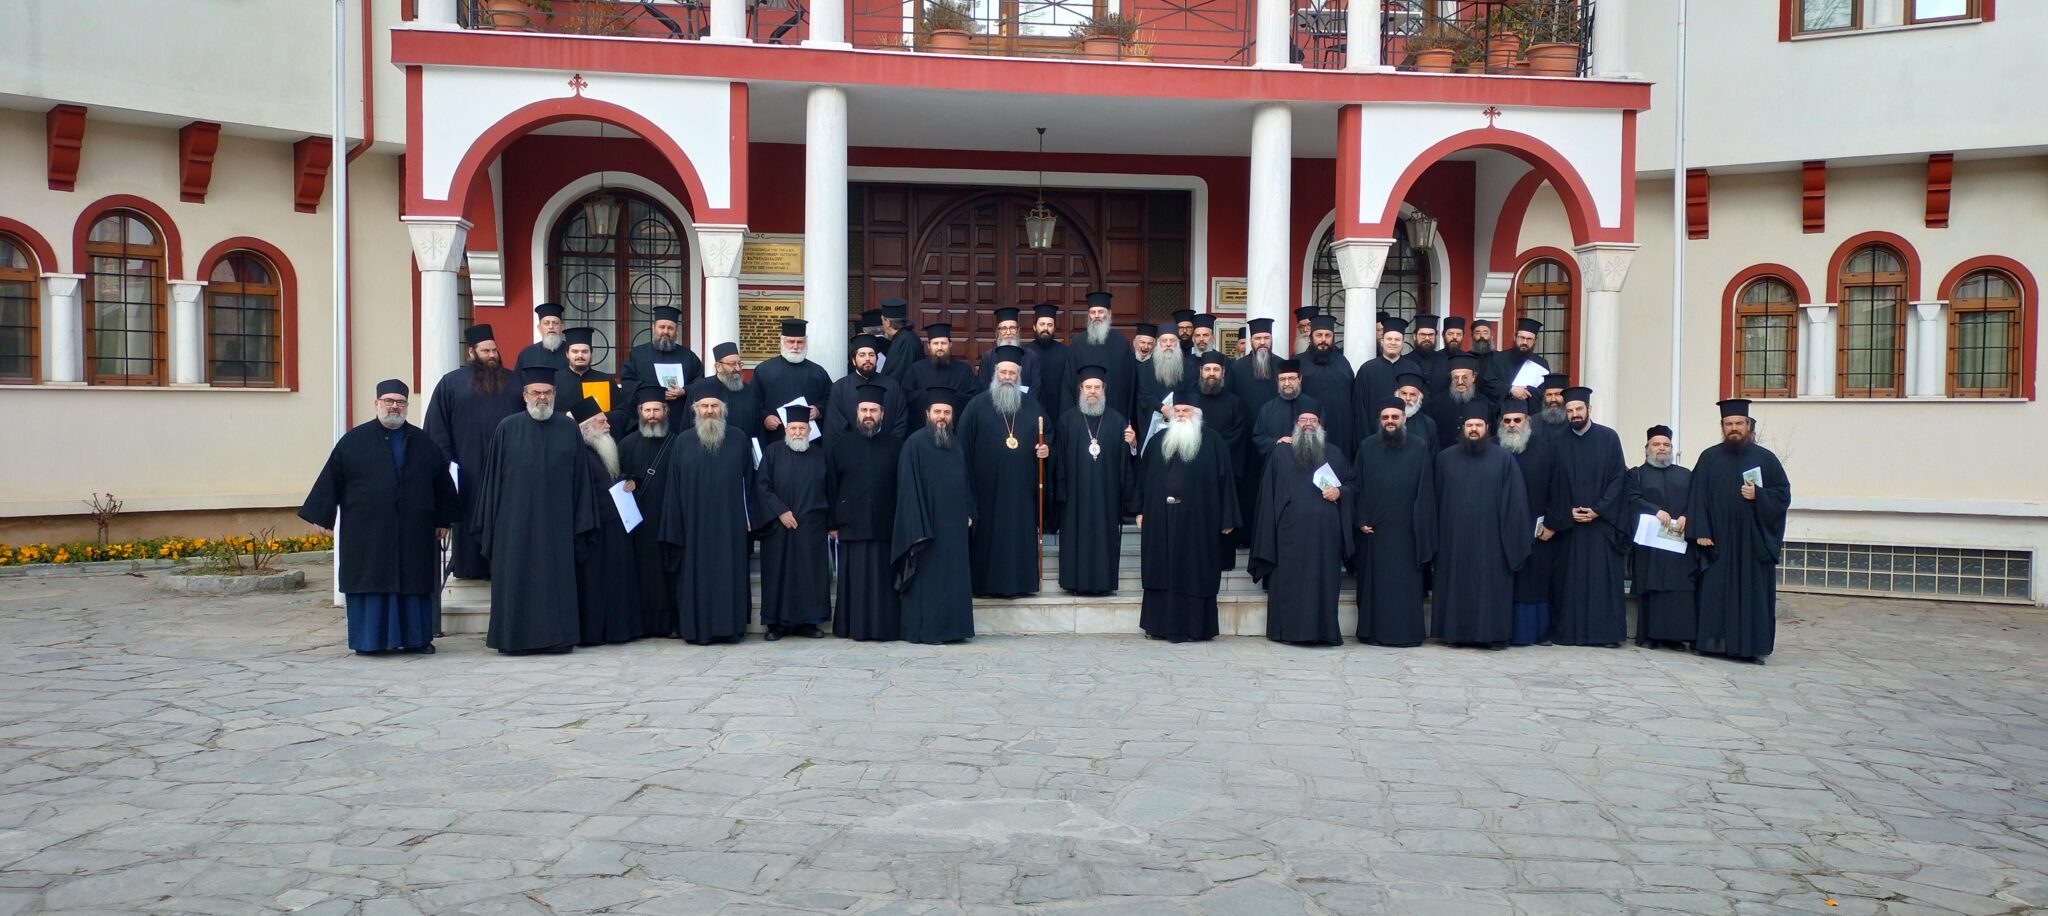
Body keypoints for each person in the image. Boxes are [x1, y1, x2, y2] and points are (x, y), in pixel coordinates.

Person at [299, 379, 460, 656]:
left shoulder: (424, 443)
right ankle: (370, 642)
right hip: (367, 533)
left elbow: (442, 485)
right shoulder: (353, 441)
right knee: (370, 581)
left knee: (413, 583)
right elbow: (332, 478)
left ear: (406, 406)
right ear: (376, 404)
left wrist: (443, 520)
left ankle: (416, 640)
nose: (394, 406)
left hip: (413, 531)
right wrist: (322, 515)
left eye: (400, 402)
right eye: (388, 401)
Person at [471, 366, 592, 655]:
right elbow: (492, 482)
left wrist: (581, 521)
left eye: (547, 392)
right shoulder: (507, 428)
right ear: (525, 395)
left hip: (558, 523)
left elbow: (581, 481)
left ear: (555, 394)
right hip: (514, 526)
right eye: (536, 392)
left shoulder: (569, 429)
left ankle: (558, 639)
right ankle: (514, 640)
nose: (542, 397)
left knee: (556, 581)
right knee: (517, 579)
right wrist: (492, 525)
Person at [660, 379, 768, 645]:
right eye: (704, 406)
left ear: (723, 409)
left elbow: (749, 482)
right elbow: (673, 488)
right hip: (693, 526)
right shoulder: (683, 441)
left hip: (730, 524)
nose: (709, 411)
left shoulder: (739, 438)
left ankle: (729, 629)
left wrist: (749, 517)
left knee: (728, 575)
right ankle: (696, 629)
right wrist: (676, 525)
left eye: (714, 406)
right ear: (695, 409)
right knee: (695, 577)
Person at [1687, 399, 1790, 664]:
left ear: (1748, 426)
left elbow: (1782, 495)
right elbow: (1697, 496)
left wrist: (1760, 495)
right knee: (1714, 592)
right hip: (1717, 541)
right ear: (1722, 426)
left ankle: (1751, 648)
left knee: (1751, 595)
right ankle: (1710, 644)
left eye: (1739, 423)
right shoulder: (1709, 458)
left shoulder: (1766, 459)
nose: (1734, 428)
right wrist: (1701, 531)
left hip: (1752, 542)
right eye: (1729, 423)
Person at [424, 323, 524, 580]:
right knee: (469, 516)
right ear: (471, 353)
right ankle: (469, 567)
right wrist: (446, 465)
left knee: (505, 517)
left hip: (508, 467)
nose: (492, 355)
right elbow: (437, 429)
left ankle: (503, 568)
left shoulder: (515, 382)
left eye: (494, 350)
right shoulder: (451, 383)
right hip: (467, 469)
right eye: (485, 351)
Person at [1134, 402, 1240, 643]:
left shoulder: (1213, 442)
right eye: (1177, 411)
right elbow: (1144, 478)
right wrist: (1139, 510)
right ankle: (1158, 626)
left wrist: (1227, 517)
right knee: (1161, 570)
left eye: (1186, 411)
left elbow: (1226, 481)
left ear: (1197, 414)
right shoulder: (1157, 441)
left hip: (1199, 520)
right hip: (1160, 517)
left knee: (1195, 571)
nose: (1181, 415)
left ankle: (1195, 628)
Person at [1431, 401, 1532, 649]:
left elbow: (1515, 503)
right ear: (1463, 428)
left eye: (1478, 425)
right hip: (1454, 540)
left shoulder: (1503, 459)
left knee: (1491, 587)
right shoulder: (1445, 459)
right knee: (1457, 586)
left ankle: (1492, 636)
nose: (1474, 429)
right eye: (1469, 425)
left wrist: (1511, 540)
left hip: (1492, 540)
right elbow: (1434, 501)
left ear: (1487, 427)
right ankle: (1455, 634)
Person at [1251, 407, 1353, 647]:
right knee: (1290, 584)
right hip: (1289, 536)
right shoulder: (1280, 454)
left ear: (1320, 424)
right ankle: (1288, 632)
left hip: (1325, 537)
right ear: (1296, 424)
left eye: (1313, 420)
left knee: (1323, 585)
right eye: (1303, 419)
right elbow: (1268, 493)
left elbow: (1353, 484)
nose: (1308, 423)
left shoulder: (1335, 454)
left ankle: (1324, 633)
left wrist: (1340, 492)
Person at [956, 346, 1052, 598]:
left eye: (1012, 373)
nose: (1008, 377)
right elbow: (961, 448)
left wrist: (1046, 449)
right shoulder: (976, 406)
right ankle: (986, 585)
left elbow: (1048, 438)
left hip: (1022, 493)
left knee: (1019, 536)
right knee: (988, 539)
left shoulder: (1033, 407)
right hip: (985, 492)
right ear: (995, 374)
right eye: (1003, 372)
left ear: (1019, 376)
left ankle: (1021, 584)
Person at [1349, 396, 1436, 647]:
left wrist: (1420, 525)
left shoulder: (1419, 447)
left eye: (1394, 417)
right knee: (1376, 586)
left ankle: (1406, 634)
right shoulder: (1366, 446)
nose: (1390, 421)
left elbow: (1425, 490)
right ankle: (1373, 633)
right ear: (1380, 420)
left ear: (1404, 419)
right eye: (1385, 417)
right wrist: (1361, 518)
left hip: (1408, 532)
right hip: (1374, 531)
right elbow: (1357, 485)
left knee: (1404, 587)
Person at [1545, 387, 1628, 648]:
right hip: (1569, 526)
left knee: (1601, 581)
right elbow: (1550, 482)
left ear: (1589, 409)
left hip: (1601, 526)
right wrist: (1566, 511)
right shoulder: (1556, 441)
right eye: (1570, 410)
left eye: (1579, 409)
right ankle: (1567, 634)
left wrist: (1599, 509)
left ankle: (1605, 635)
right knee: (1568, 582)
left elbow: (1619, 478)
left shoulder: (1609, 438)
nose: (1574, 414)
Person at [892, 387, 976, 644]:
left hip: (954, 527)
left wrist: (969, 510)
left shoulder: (956, 444)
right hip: (926, 528)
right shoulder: (914, 444)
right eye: (937, 411)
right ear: (927, 414)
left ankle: (954, 630)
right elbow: (908, 489)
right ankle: (928, 632)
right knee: (928, 582)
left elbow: (966, 481)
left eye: (947, 412)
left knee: (954, 579)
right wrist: (917, 527)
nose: (942, 416)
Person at [1052, 366, 1138, 596]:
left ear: (1103, 390)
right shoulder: (1067, 421)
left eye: (1097, 387)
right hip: (1075, 497)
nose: (1092, 391)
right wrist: (1061, 494)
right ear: (1080, 389)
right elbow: (1059, 462)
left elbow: (1126, 463)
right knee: (1076, 538)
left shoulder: (1117, 421)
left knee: (1103, 538)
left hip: (1106, 496)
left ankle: (1104, 583)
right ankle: (1074, 582)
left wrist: (1132, 445)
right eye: (1088, 387)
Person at [827, 385, 904, 640]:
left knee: (883, 581)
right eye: (864, 410)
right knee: (855, 581)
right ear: (856, 412)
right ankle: (853, 627)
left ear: (883, 414)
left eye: (873, 410)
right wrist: (833, 523)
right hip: (851, 524)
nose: (868, 414)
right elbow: (832, 484)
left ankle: (884, 628)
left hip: (886, 524)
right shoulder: (842, 445)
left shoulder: (896, 446)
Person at [567, 396, 641, 646]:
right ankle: (596, 633)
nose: (608, 425)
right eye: (601, 422)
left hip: (617, 526)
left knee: (618, 580)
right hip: (594, 530)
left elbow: (611, 478)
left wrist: (629, 481)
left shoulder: (602, 449)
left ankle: (620, 630)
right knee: (596, 584)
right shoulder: (578, 454)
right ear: (586, 427)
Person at [758, 406, 832, 640]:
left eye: (802, 428)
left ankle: (809, 622)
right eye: (793, 428)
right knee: (777, 574)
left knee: (809, 574)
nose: (798, 432)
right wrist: (781, 511)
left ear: (809, 430)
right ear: (786, 430)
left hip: (811, 526)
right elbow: (762, 486)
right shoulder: (772, 452)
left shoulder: (819, 454)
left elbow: (827, 489)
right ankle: (775, 625)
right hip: (779, 525)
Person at [1497, 399, 1563, 646]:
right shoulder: (1493, 448)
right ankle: (1502, 631)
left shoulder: (1545, 448)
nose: (1512, 425)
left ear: (1528, 421)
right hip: (1500, 529)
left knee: (1534, 579)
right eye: (1507, 421)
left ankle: (1536, 632)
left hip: (1537, 528)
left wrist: (1552, 523)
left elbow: (1558, 487)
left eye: (1517, 420)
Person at [1625, 425, 1695, 649]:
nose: (1662, 448)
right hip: (1650, 547)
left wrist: (1687, 515)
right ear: (1647, 448)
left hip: (1678, 545)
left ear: (1672, 448)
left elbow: (1697, 501)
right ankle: (1649, 636)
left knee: (1677, 590)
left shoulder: (1686, 475)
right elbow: (1632, 498)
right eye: (1656, 444)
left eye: (1666, 444)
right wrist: (1654, 510)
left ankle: (1674, 638)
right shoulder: (1636, 474)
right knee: (1651, 588)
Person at [617, 386, 678, 637]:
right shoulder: (626, 444)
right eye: (647, 410)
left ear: (665, 411)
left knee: (667, 573)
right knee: (641, 572)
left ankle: (670, 624)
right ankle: (640, 625)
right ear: (639, 412)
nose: (652, 415)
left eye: (656, 410)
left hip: (669, 518)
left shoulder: (677, 442)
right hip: (638, 523)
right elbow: (616, 476)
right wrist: (629, 480)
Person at [1060, 291, 1137, 421]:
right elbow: (1069, 381)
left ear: (1109, 314)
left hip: (1115, 415)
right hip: (1082, 416)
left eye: (1100, 312)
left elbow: (1130, 383)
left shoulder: (1122, 343)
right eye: (1092, 312)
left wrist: (1128, 417)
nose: (1096, 316)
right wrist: (1068, 418)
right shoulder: (1077, 343)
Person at [616, 305, 703, 420]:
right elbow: (628, 383)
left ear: (676, 330)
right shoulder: (638, 354)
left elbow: (700, 383)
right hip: (647, 418)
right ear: (653, 328)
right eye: (661, 327)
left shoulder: (688, 357)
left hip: (680, 417)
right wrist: (654, 393)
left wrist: (684, 391)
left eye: (670, 328)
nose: (665, 331)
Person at [753, 318, 832, 442]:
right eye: (791, 341)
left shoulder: (818, 372)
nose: (795, 346)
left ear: (805, 343)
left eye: (800, 342)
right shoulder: (764, 370)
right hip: (774, 437)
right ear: (782, 342)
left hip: (809, 440)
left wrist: (818, 410)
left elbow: (831, 398)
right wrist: (765, 417)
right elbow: (753, 400)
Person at [825, 335, 908, 440]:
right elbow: (836, 425)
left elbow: (900, 421)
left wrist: (890, 445)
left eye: (871, 355)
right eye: (862, 355)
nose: (867, 358)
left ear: (877, 359)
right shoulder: (840, 388)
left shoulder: (892, 386)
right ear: (854, 360)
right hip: (850, 448)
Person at [900, 323, 982, 426]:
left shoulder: (963, 370)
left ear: (950, 345)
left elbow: (975, 398)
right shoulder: (916, 369)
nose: (939, 347)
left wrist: (952, 396)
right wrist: (927, 396)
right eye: (935, 343)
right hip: (922, 428)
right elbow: (905, 396)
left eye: (943, 343)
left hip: (956, 429)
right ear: (929, 345)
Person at [1299, 314, 1356, 460]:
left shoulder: (1343, 362)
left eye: (1328, 335)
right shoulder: (1298, 362)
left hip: (1341, 430)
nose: (1323, 339)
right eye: (1319, 335)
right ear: (1311, 337)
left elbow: (1353, 395)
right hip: (1309, 429)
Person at [1134, 325, 1193, 448]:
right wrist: (1161, 407)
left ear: (1177, 343)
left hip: (1180, 420)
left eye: (1172, 340)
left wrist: (1177, 410)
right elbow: (1143, 394)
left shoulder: (1189, 367)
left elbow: (1192, 392)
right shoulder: (1145, 368)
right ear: (1158, 344)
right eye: (1164, 340)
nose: (1168, 344)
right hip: (1153, 421)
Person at [555, 327, 623, 429]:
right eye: (575, 351)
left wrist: (601, 417)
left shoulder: (606, 380)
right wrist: (566, 415)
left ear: (591, 353)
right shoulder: (555, 380)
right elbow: (547, 412)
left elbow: (621, 412)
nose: (580, 355)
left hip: (599, 434)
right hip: (566, 434)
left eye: (585, 351)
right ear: (567, 354)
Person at [706, 342, 765, 454]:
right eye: (732, 364)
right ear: (718, 367)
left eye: (739, 364)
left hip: (741, 452)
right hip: (710, 452)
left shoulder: (749, 391)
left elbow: (757, 426)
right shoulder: (703, 388)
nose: (737, 368)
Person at [1427, 353, 1493, 450]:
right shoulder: (1436, 403)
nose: (1460, 382)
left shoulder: (1485, 403)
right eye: (1456, 378)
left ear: (1474, 377)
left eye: (1465, 377)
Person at [1351, 315, 1412, 419]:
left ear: (1403, 342)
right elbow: (1359, 407)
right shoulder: (1367, 370)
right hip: (1372, 428)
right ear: (1382, 341)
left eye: (1397, 339)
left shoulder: (1412, 369)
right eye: (1389, 339)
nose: (1393, 342)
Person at [977, 307, 1041, 393]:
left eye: (1012, 328)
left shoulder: (1031, 356)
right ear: (998, 332)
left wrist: (1026, 401)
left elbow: (1035, 387)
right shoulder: (988, 357)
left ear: (1018, 330)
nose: (1008, 332)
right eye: (1003, 328)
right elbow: (983, 387)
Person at [1026, 303, 1070, 421]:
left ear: (1054, 328)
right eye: (1042, 324)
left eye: (1050, 325)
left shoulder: (1065, 353)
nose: (1045, 328)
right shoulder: (1025, 352)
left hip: (1059, 413)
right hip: (1031, 411)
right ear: (1034, 327)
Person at [515, 302, 571, 372]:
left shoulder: (573, 351)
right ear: (539, 328)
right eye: (546, 323)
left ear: (562, 327)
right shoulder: (527, 354)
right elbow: (518, 377)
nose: (551, 327)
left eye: (555, 323)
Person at [1391, 371, 1439, 453]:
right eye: (1404, 393)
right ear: (1397, 394)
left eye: (1412, 394)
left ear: (1420, 397)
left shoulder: (1428, 424)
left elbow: (1433, 454)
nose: (1408, 398)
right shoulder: (1386, 421)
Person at [879, 298, 922, 384]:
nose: (882, 325)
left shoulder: (906, 340)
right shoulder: (903, 337)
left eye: (882, 321)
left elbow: (898, 373)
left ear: (887, 322)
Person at [1532, 373, 1572, 439]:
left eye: (1557, 394)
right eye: (1549, 395)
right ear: (1544, 396)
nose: (1553, 399)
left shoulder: (1574, 421)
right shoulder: (1533, 422)